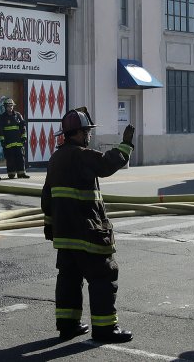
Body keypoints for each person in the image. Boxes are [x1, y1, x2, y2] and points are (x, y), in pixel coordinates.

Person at [41, 107, 135, 343]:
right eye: (87, 132)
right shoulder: (81, 155)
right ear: (80, 133)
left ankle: (68, 325)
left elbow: (47, 198)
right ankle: (105, 329)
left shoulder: (55, 158)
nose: (89, 136)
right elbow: (106, 164)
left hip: (64, 235)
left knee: (69, 278)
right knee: (103, 275)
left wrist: (50, 226)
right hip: (87, 231)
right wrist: (125, 146)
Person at [0, 98, 29, 179]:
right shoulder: (2, 117)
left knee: (20, 158)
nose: (10, 107)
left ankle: (21, 173)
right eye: (8, 106)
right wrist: (2, 140)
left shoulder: (18, 115)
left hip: (18, 142)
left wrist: (24, 137)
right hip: (8, 142)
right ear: (5, 107)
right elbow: (0, 130)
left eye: (11, 106)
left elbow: (23, 127)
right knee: (10, 159)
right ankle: (11, 174)